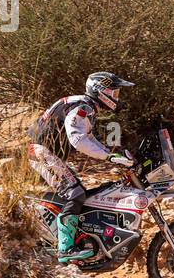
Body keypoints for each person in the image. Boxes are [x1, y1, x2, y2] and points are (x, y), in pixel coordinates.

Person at [26, 71, 135, 262]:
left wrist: (111, 155)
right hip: (41, 152)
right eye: (114, 92)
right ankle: (65, 249)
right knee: (75, 194)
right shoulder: (82, 107)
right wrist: (108, 157)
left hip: (44, 152)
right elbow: (77, 139)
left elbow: (89, 138)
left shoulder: (86, 106)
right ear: (101, 91)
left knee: (79, 193)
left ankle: (76, 238)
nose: (116, 98)